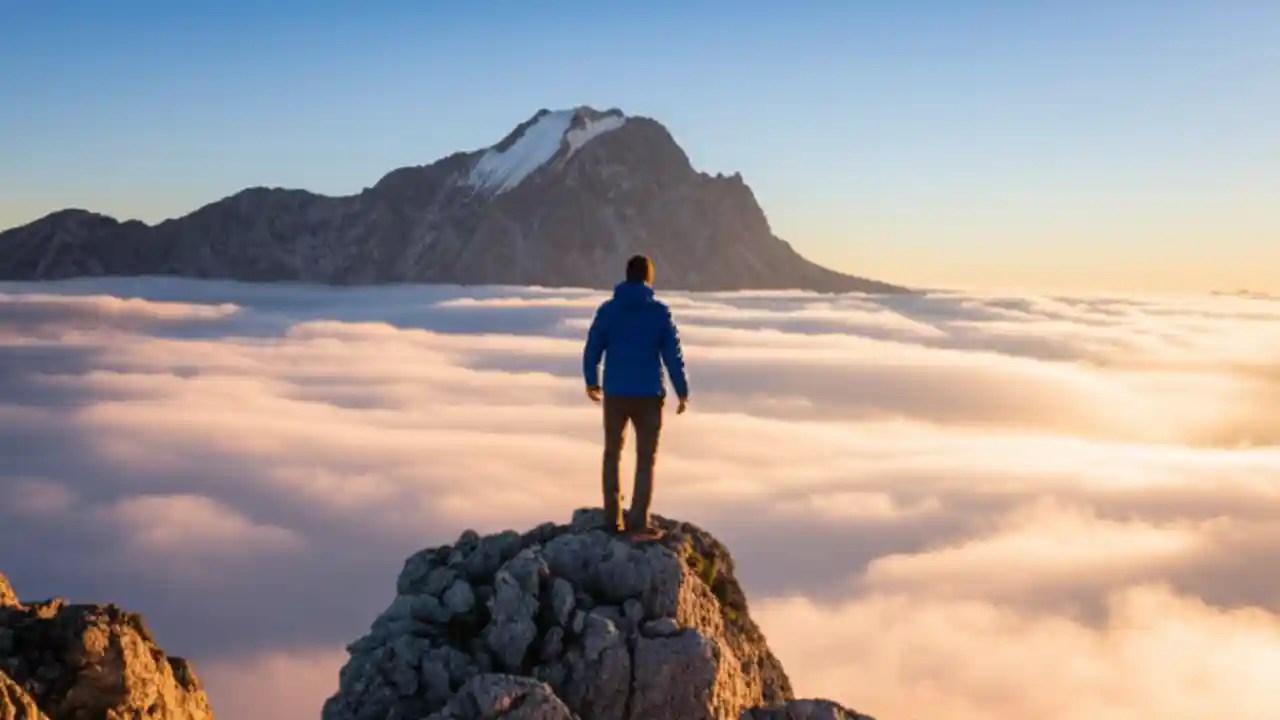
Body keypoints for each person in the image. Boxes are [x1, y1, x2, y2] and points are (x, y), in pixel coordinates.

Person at [582, 255, 689, 540]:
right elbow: (672, 355)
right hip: (648, 395)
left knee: (611, 455)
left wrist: (592, 381)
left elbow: (592, 347)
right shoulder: (659, 313)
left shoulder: (608, 311)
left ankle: (612, 519)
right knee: (645, 459)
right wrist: (682, 390)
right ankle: (639, 521)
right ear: (649, 278)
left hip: (616, 393)